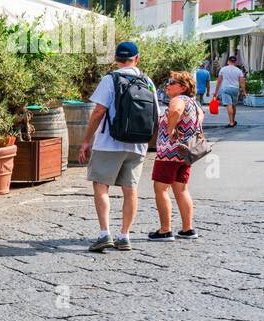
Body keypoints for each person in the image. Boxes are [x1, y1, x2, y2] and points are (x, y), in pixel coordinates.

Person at [77, 41, 158, 252]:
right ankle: (124, 236)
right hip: (137, 144)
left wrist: (86, 140)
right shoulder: (147, 81)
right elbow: (156, 115)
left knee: (100, 186)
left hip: (109, 143)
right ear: (137, 59)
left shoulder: (110, 79)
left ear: (116, 59)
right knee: (130, 190)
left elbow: (98, 112)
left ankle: (105, 234)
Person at [148, 71, 202, 241]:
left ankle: (165, 230)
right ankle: (188, 229)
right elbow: (199, 120)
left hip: (169, 152)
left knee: (161, 188)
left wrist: (171, 129)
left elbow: (175, 110)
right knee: (181, 189)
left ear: (183, 87)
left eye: (172, 82)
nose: (168, 85)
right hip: (185, 153)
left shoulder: (178, 100)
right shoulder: (194, 104)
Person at [213, 54, 246, 127]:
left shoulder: (223, 69)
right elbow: (242, 82)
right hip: (235, 89)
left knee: (229, 105)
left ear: (228, 61)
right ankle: (233, 120)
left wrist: (216, 92)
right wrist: (244, 92)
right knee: (234, 105)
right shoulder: (239, 71)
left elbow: (219, 81)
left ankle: (231, 122)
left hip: (226, 89)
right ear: (235, 62)